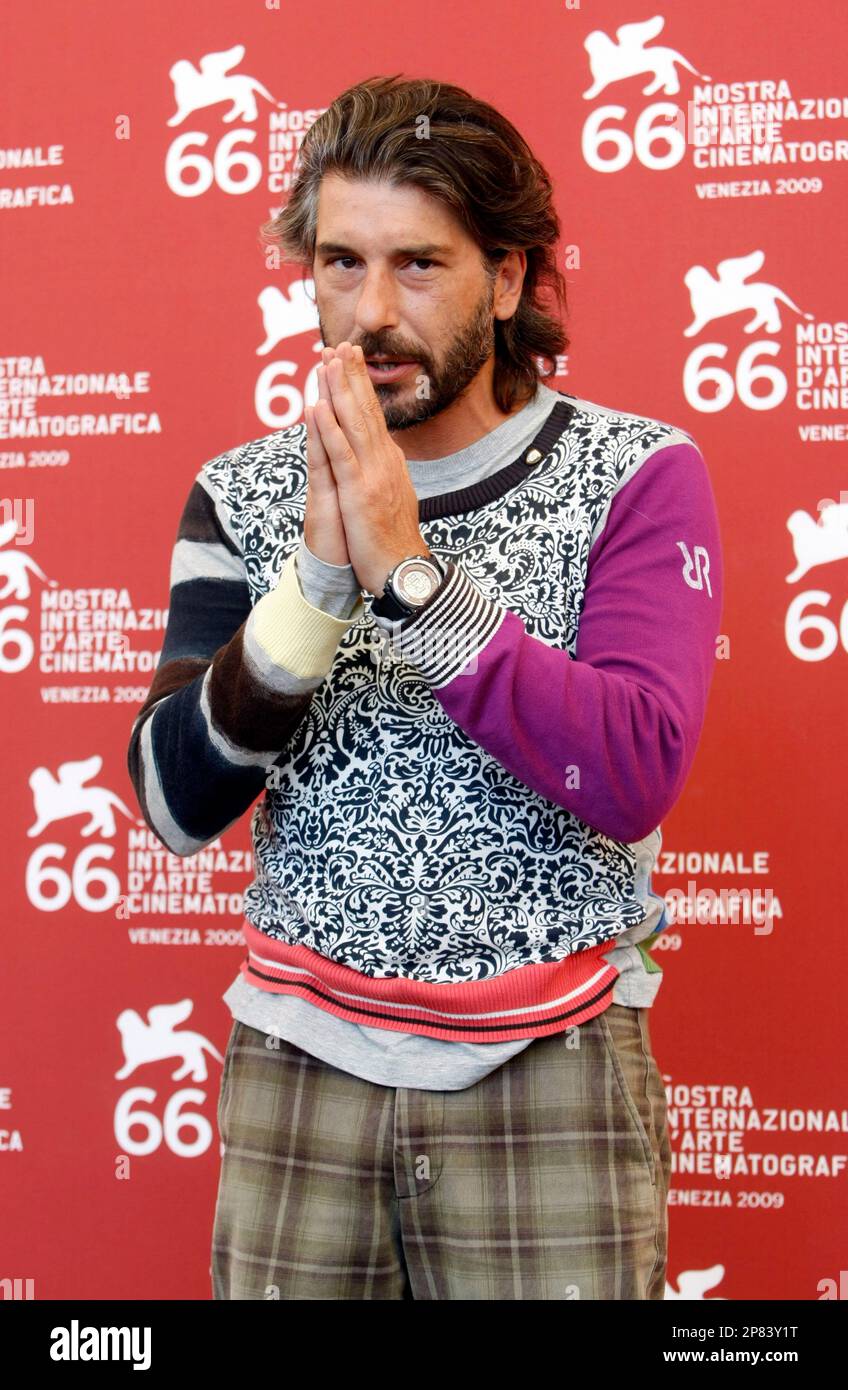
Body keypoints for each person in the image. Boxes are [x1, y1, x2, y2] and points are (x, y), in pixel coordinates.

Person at [127, 74, 723, 1300]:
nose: (369, 314)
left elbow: (628, 771)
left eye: (418, 265)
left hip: (548, 1068)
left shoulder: (637, 472)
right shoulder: (241, 489)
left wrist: (408, 571)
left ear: (505, 281)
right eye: (339, 263)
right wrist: (317, 586)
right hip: (301, 1070)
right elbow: (173, 803)